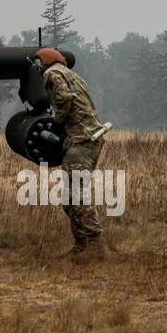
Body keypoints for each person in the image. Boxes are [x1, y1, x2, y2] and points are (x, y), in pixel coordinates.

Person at [36, 47, 114, 259]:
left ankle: (95, 244)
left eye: (39, 62)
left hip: (81, 141)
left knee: (77, 195)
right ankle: (81, 245)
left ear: (46, 62)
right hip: (89, 139)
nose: (38, 66)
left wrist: (57, 121)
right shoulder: (72, 74)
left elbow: (63, 98)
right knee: (71, 196)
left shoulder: (52, 73)